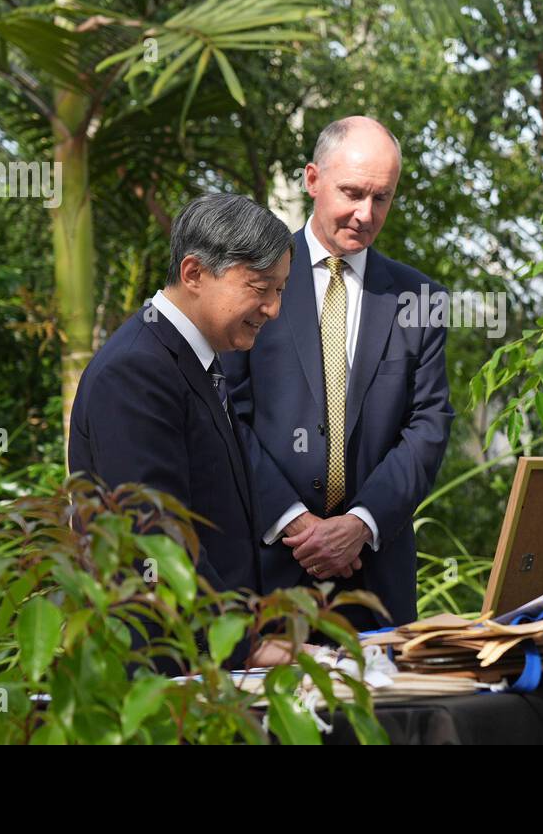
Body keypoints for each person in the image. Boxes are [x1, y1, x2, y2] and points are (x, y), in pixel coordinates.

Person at [223, 117, 455, 629]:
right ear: (312, 179)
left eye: (382, 198)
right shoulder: (246, 282)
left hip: (376, 581)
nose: (365, 214)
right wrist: (296, 523)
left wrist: (360, 523)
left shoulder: (421, 299)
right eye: (352, 192)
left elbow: (429, 423)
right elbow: (225, 415)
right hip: (266, 573)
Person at [67, 192, 294, 668]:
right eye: (260, 287)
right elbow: (153, 536)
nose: (273, 308)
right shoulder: (136, 370)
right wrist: (243, 646)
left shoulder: (200, 362)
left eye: (281, 290)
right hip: (165, 672)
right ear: (194, 274)